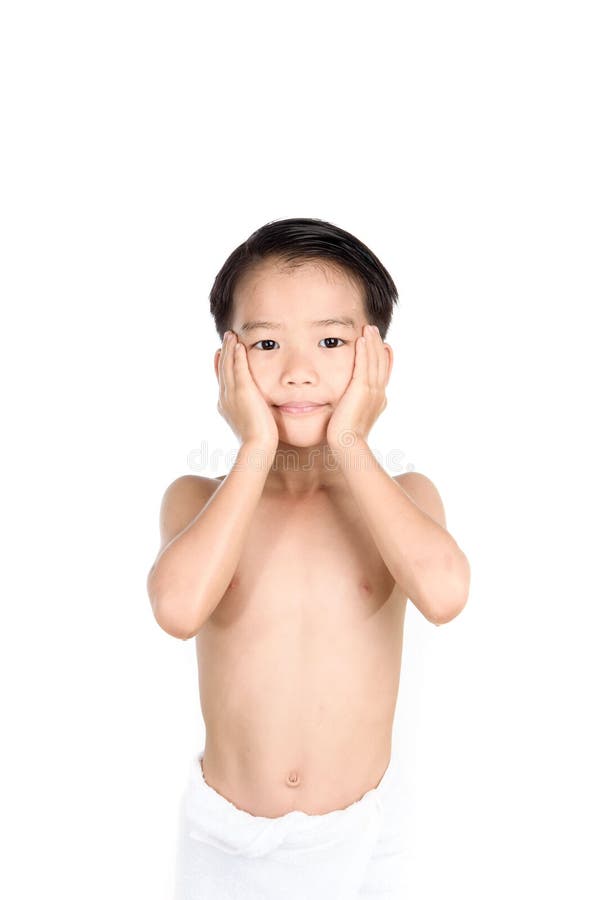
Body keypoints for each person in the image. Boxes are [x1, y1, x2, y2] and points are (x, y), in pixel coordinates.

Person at [146, 217, 471, 898]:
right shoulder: (197, 499)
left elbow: (443, 595)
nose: (298, 370)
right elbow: (177, 609)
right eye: (265, 343)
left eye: (330, 341)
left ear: (376, 359)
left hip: (363, 837)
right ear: (225, 363)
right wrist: (254, 447)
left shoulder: (403, 496)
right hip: (226, 839)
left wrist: (350, 440)